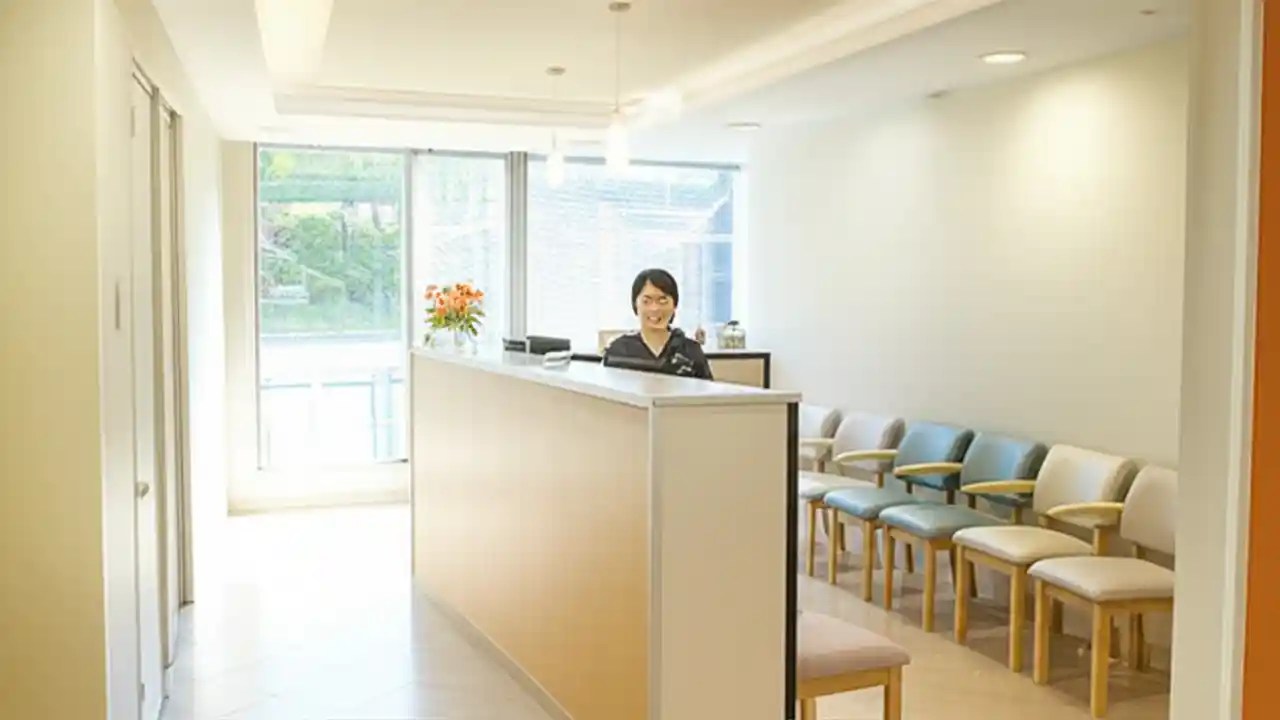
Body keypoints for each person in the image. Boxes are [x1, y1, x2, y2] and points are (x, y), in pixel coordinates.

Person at [602, 268, 714, 380]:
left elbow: (707, 395)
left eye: (662, 300)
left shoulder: (690, 351)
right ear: (635, 305)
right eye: (647, 301)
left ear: (674, 305)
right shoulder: (618, 351)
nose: (655, 308)